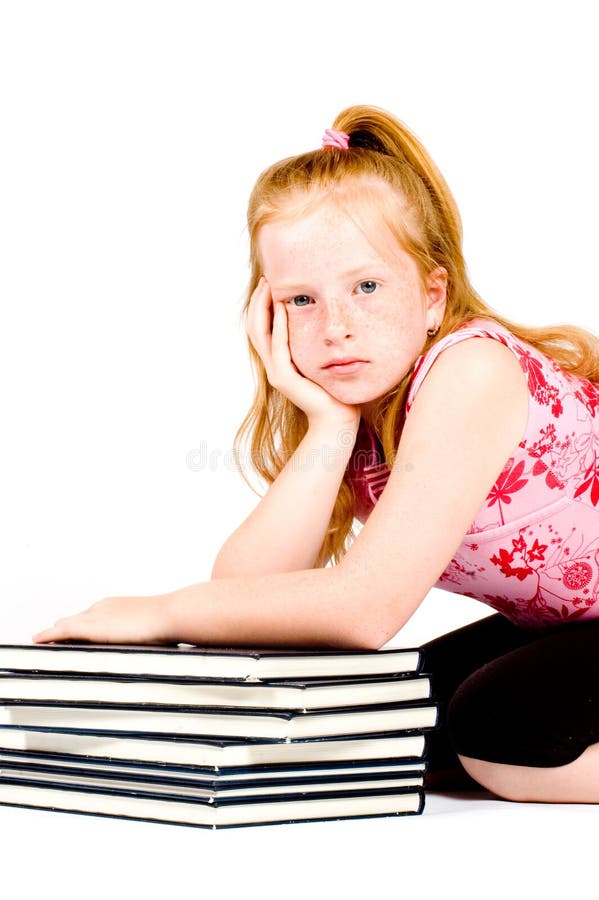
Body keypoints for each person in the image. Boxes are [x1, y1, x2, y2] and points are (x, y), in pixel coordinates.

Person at [33, 106, 599, 804]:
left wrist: (162, 611)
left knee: (500, 734)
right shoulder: (361, 415)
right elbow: (245, 595)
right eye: (301, 299)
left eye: (366, 287)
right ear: (267, 313)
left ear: (431, 294)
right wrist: (327, 423)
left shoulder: (470, 371)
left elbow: (365, 610)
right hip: (579, 628)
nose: (335, 327)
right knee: (396, 724)